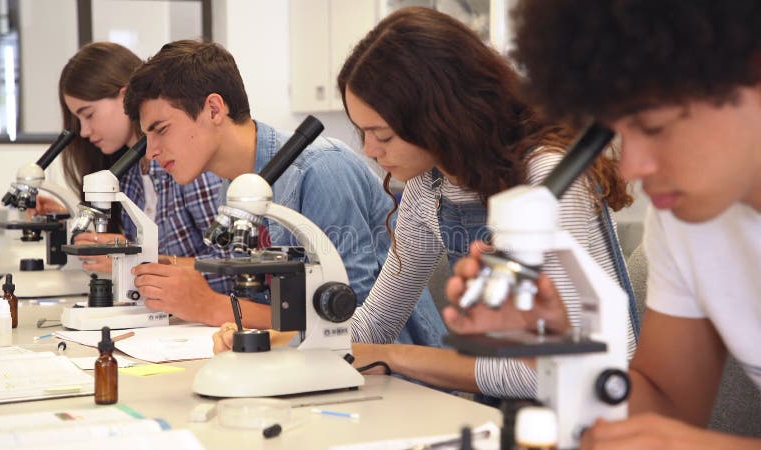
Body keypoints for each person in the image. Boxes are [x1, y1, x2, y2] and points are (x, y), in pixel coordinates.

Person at [212, 7, 637, 399]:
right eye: (364, 134)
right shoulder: (428, 188)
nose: (370, 152)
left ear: (440, 116)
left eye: (383, 135)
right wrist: (274, 344)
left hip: (603, 412)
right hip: (504, 410)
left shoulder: (548, 180)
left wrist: (393, 356)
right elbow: (373, 324)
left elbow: (567, 368)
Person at [446, 0, 761, 448]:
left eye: (652, 126)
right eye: (619, 133)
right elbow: (666, 405)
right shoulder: (688, 222)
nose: (631, 166)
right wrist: (553, 350)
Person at [123, 40, 443, 343]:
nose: (151, 151)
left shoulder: (321, 170)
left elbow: (348, 319)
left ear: (214, 109)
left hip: (394, 377)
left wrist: (212, 306)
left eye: (161, 130)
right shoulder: (234, 191)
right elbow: (263, 301)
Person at [44, 41, 233, 295]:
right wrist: (64, 214)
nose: (85, 132)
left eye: (88, 115)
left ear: (125, 98)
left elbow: (233, 269)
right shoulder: (131, 174)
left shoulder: (187, 163)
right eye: (78, 121)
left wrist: (134, 260)